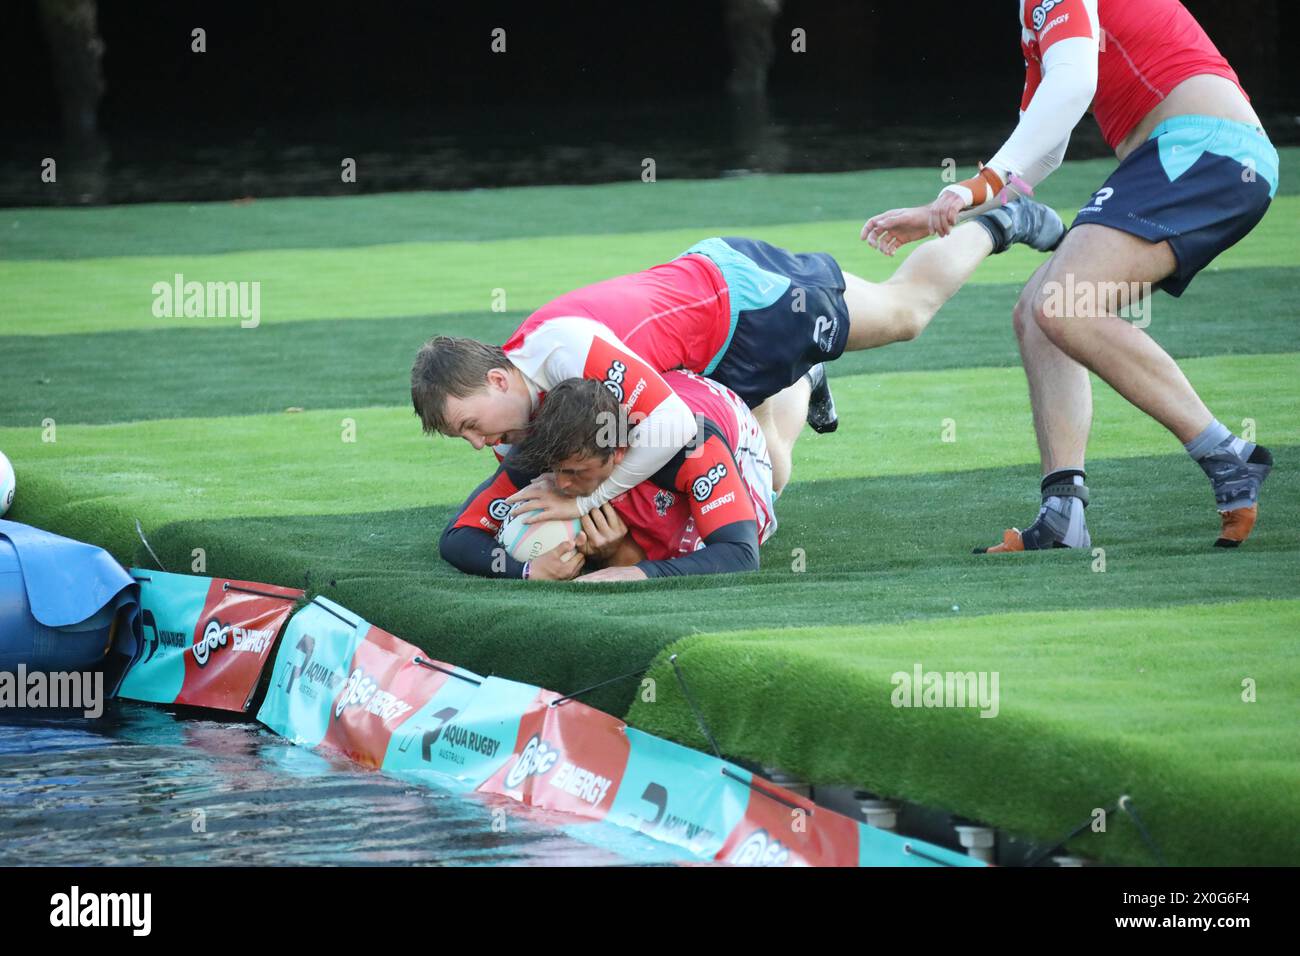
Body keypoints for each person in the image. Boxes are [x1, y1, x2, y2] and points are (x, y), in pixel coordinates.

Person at [863, 0, 1279, 551]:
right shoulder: (1033, 14)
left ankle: (1227, 455)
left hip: (1201, 151)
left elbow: (1074, 84)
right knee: (1040, 315)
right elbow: (1044, 145)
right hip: (1189, 155)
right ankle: (1064, 515)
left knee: (1063, 303)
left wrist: (973, 188)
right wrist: (952, 204)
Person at [412, 204, 1064, 526]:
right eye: (461, 436)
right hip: (706, 339)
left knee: (906, 312)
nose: (478, 443)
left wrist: (587, 505)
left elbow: (671, 430)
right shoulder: (518, 407)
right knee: (771, 473)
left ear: (500, 379)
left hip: (750, 306)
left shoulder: (562, 352)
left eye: (471, 423)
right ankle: (803, 376)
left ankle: (1000, 222)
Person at [438, 370, 794, 582]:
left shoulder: (694, 445)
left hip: (727, 422)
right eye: (556, 470)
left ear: (619, 453)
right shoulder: (550, 441)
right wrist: (527, 571)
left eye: (575, 472)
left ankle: (797, 384)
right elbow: (457, 536)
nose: (560, 485)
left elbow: (739, 555)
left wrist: (635, 573)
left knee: (771, 481)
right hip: (669, 393)